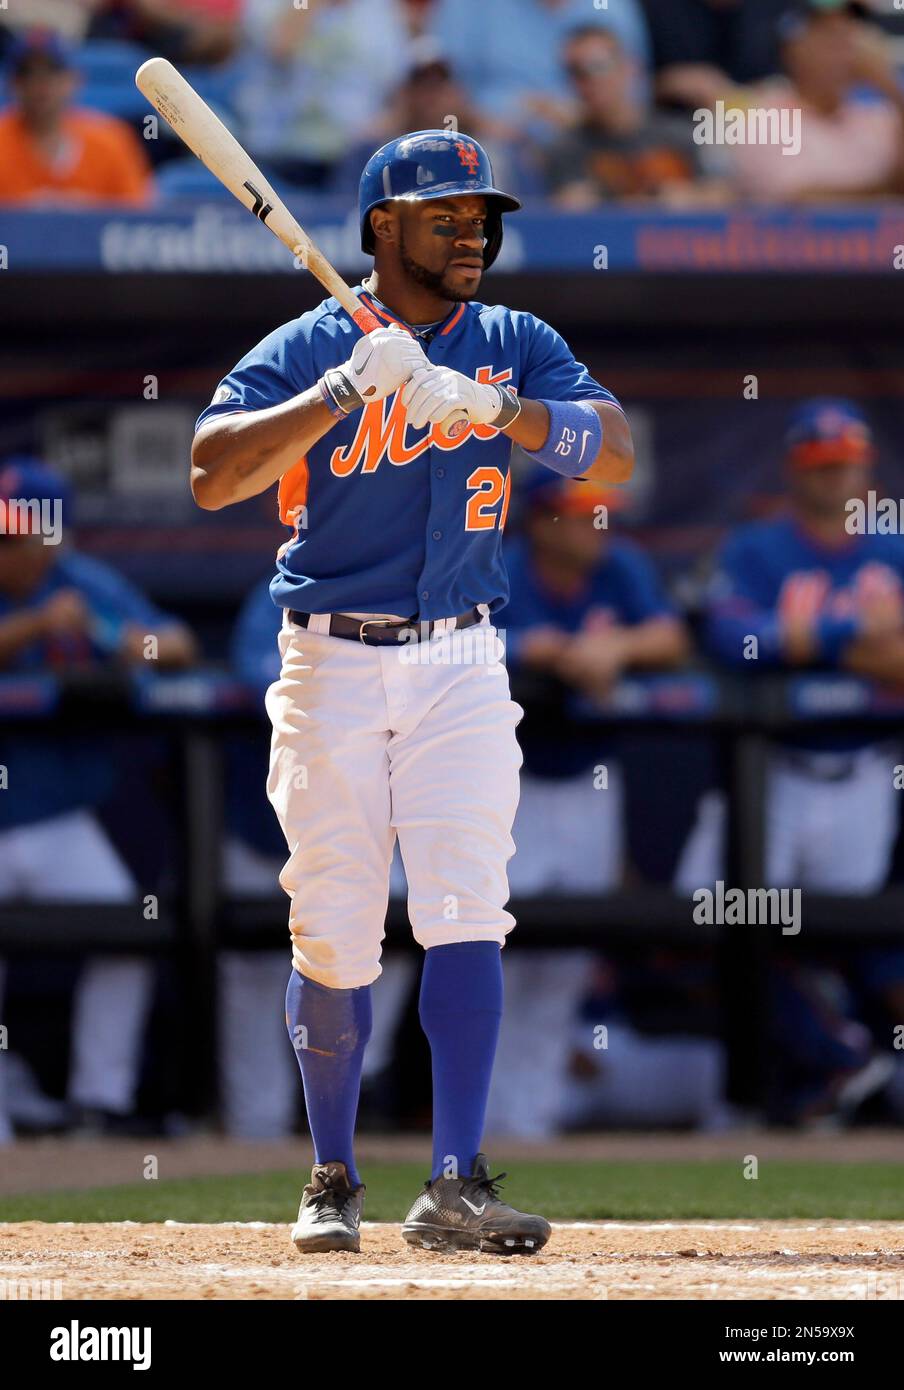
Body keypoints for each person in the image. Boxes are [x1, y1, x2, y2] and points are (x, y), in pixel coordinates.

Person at [192, 128, 633, 1255]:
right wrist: (345, 387)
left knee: (467, 908)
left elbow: (614, 451)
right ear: (381, 227)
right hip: (331, 658)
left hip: (463, 660)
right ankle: (332, 1172)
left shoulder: (513, 343)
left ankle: (454, 1181)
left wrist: (495, 411)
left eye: (480, 216)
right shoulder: (307, 343)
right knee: (334, 929)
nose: (471, 233)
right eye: (444, 215)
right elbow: (212, 472)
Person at [676, 400, 904, 1121]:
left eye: (848, 463)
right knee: (709, 908)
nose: (838, 477)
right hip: (768, 773)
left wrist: (813, 640)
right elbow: (729, 637)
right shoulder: (755, 549)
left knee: (834, 935)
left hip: (863, 769)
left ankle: (822, 1083)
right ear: (796, 470)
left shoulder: (892, 546)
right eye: (822, 465)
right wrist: (847, 635)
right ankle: (831, 1060)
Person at [484, 469, 689, 1137]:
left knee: (565, 963)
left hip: (586, 786)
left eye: (602, 513)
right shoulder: (498, 564)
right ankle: (473, 1130)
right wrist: (530, 649)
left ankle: (530, 1129)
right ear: (543, 519)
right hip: (504, 787)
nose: (597, 526)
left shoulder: (619, 567)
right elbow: (435, 639)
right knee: (495, 958)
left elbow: (673, 638)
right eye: (580, 514)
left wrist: (614, 646)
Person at [0, 458, 196, 1139]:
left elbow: (176, 645)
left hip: (56, 818)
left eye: (18, 535)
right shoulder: (44, 599)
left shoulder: (82, 585)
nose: (8, 548)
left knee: (129, 934)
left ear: (54, 537)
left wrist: (111, 639)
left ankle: (98, 1101)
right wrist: (32, 628)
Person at [726, 2, 904, 202]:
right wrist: (884, 193)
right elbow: (801, 200)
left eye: (848, 36)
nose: (844, 51)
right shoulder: (764, 115)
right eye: (829, 37)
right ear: (792, 49)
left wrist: (893, 92)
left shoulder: (878, 116)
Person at [545, 25, 708, 207]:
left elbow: (723, 192)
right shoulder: (565, 149)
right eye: (575, 71)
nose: (589, 80)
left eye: (598, 66)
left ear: (630, 68)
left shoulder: (679, 135)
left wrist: (694, 198)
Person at [0, 30, 153, 206]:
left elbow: (135, 217)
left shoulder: (111, 139)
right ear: (12, 84)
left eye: (52, 72)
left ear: (73, 79)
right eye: (27, 74)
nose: (40, 83)